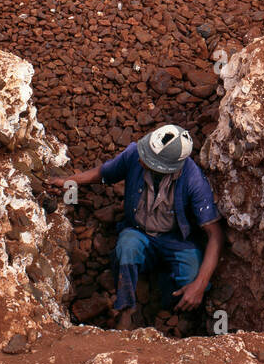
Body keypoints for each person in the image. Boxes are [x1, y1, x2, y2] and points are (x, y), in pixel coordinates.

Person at [47, 124, 224, 332]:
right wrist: (67, 182)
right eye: (144, 154)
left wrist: (199, 285)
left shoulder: (193, 180)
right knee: (127, 245)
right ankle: (127, 310)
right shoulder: (135, 153)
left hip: (176, 240)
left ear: (169, 167)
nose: (142, 160)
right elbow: (103, 173)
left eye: (149, 160)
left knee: (190, 279)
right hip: (139, 232)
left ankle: (170, 311)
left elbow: (215, 236)